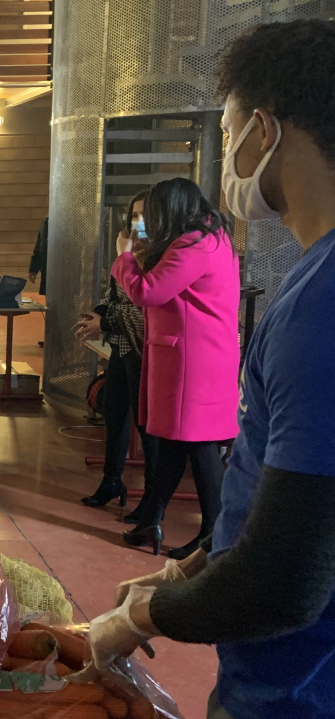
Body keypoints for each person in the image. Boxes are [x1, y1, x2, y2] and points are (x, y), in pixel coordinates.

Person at [78, 19, 335, 719]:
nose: (227, 157)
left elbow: (285, 580)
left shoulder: (321, 306)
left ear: (263, 131)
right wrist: (191, 568)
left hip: (297, 710)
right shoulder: (310, 279)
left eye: (226, 134)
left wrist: (145, 618)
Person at [114, 177, 239, 559]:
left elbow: (147, 291)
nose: (145, 222)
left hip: (193, 360)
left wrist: (124, 256)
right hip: (186, 355)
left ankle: (215, 533)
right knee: (172, 442)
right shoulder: (203, 236)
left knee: (199, 446)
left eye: (151, 214)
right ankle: (152, 516)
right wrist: (136, 242)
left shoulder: (195, 244)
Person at [73, 192, 160, 514]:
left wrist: (105, 322)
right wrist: (96, 316)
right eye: (134, 216)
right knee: (114, 413)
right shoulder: (128, 253)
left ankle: (152, 498)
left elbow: (144, 311)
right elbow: (116, 298)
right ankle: (112, 480)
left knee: (147, 427)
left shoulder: (163, 258)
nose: (138, 224)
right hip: (121, 349)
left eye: (145, 216)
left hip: (147, 352)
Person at [28, 216, 49, 295]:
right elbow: (40, 247)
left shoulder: (70, 222)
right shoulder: (47, 222)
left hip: (65, 272)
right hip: (48, 270)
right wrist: (33, 269)